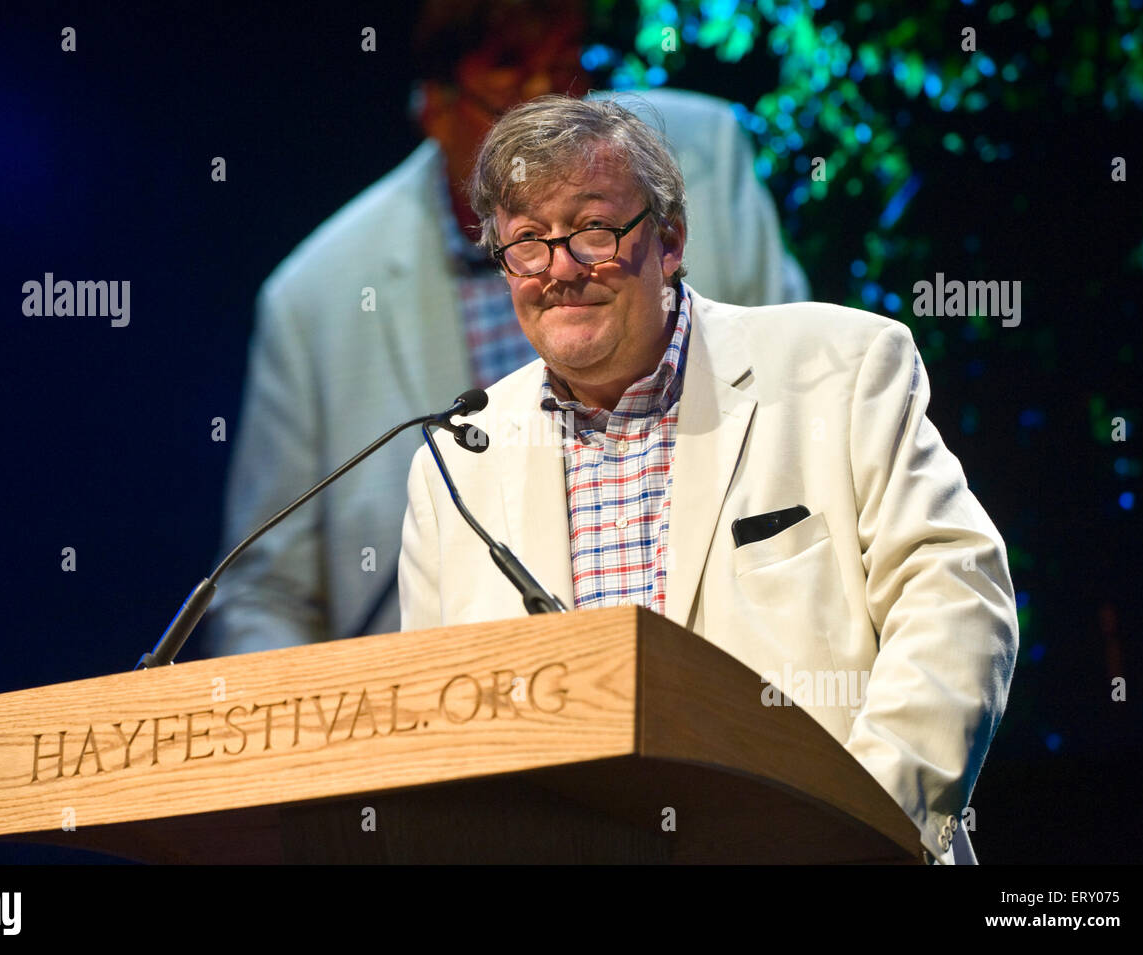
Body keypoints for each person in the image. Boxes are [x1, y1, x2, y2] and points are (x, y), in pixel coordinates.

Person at [398, 95, 1018, 865]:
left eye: (592, 230)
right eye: (527, 241)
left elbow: (957, 595)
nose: (559, 269)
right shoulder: (455, 466)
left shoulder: (840, 367)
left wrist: (866, 827)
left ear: (670, 240)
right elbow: (433, 741)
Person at [205, 0, 808, 657]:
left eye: (564, 69)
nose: (554, 128)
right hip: (443, 732)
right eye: (512, 91)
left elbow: (796, 418)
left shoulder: (703, 161)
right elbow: (265, 596)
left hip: (718, 677)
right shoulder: (317, 297)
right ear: (433, 108)